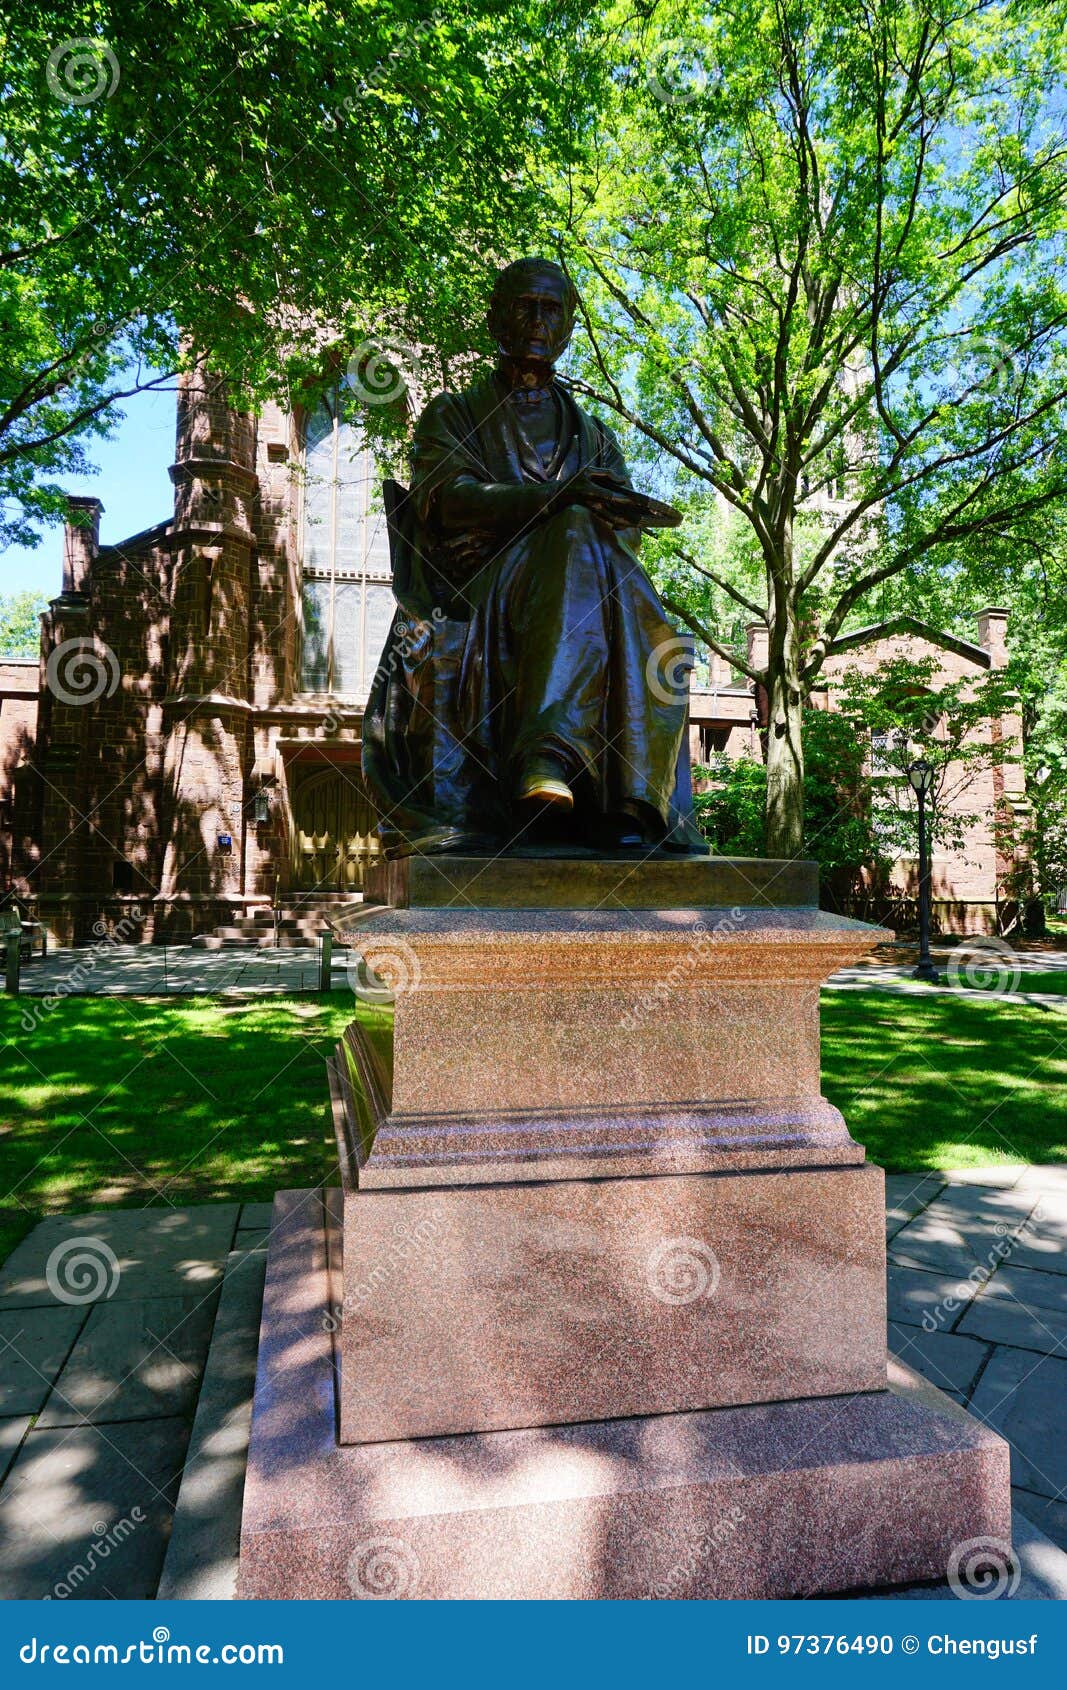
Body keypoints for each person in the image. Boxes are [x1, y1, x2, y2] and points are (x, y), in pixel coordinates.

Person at [362, 256, 705, 856]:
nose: (539, 321)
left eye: (552, 310)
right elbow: (447, 501)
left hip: (583, 591)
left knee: (643, 610)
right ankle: (555, 758)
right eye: (525, 306)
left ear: (569, 325)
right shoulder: (454, 414)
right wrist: (557, 500)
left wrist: (612, 517)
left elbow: (620, 533)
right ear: (496, 320)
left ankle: (623, 802)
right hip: (482, 588)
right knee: (574, 528)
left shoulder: (595, 435)